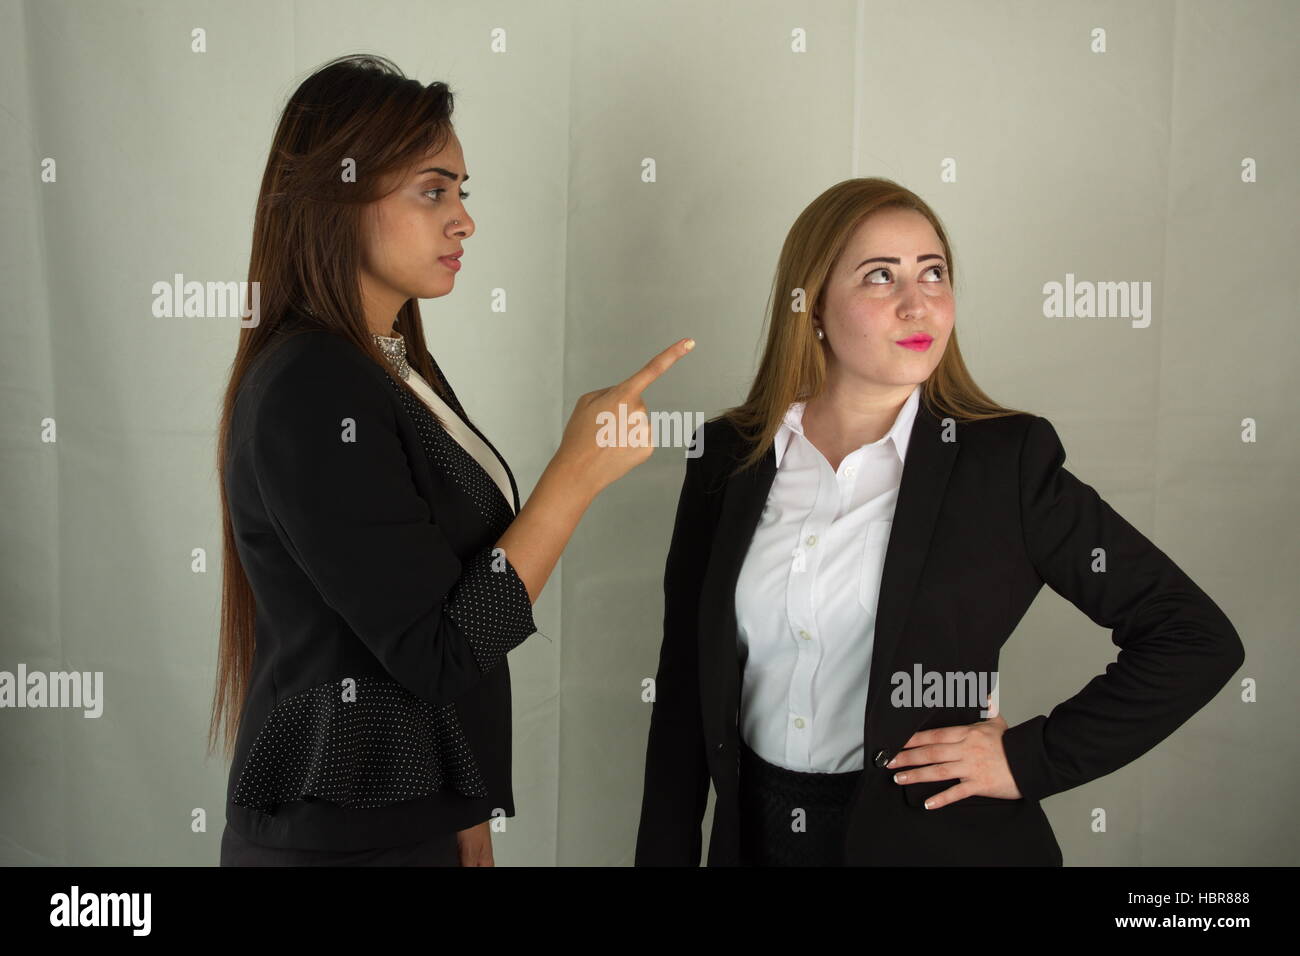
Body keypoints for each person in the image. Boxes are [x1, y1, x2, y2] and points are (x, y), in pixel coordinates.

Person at [634, 178, 1244, 866]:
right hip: (757, 842)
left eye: (934, 273)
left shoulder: (1003, 464)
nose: (916, 302)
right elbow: (685, 688)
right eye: (879, 277)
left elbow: (1194, 638)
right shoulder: (726, 457)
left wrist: (1029, 758)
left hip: (935, 846)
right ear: (811, 308)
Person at [210, 54, 692, 866]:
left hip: (407, 820)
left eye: (462, 192)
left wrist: (461, 807)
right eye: (433, 191)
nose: (463, 220)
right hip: (342, 843)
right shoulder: (314, 386)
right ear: (337, 196)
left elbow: (425, 605)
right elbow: (441, 649)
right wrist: (574, 478)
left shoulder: (389, 364)